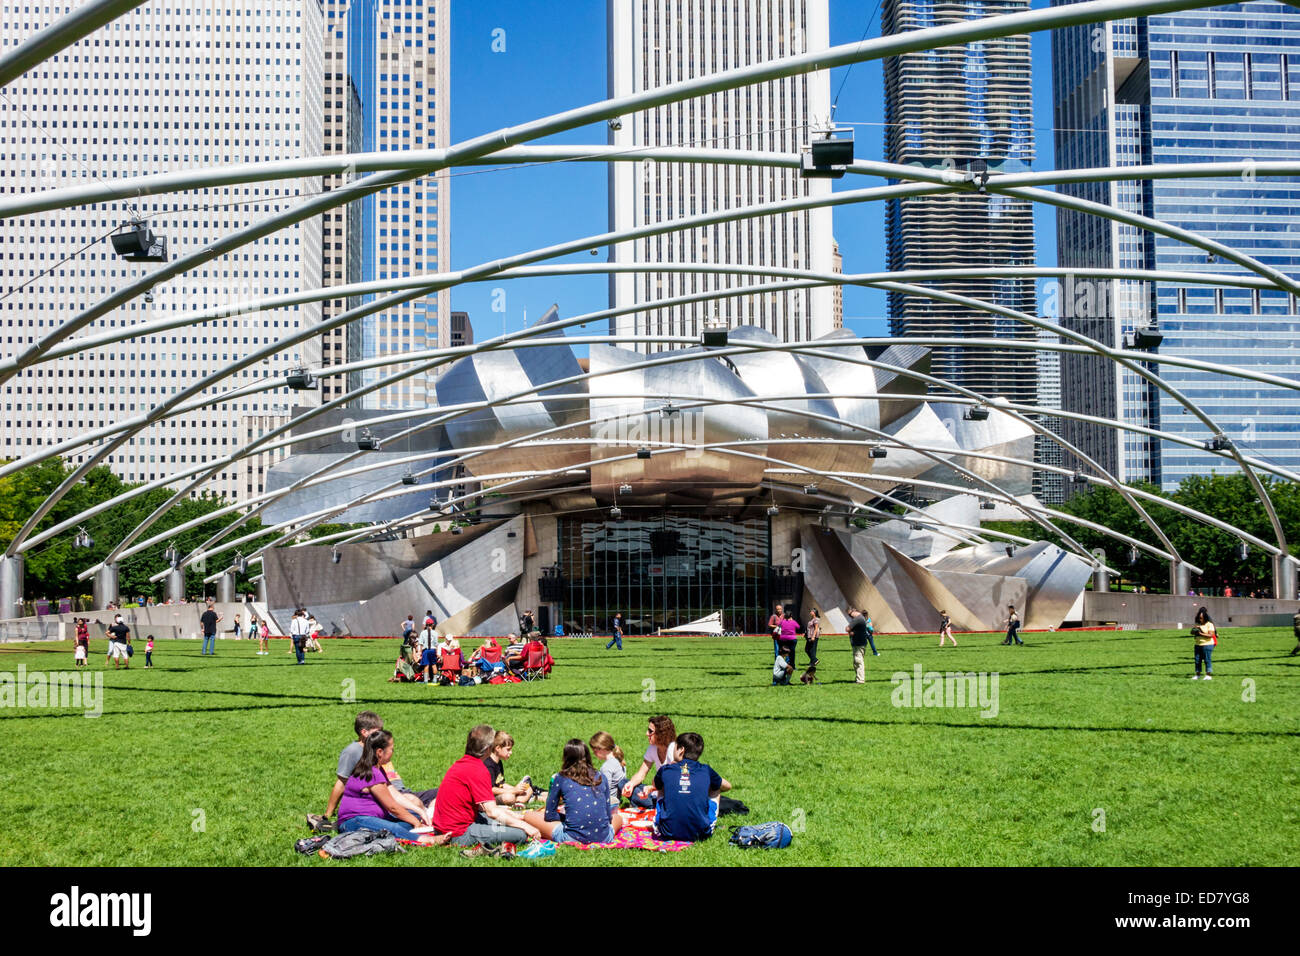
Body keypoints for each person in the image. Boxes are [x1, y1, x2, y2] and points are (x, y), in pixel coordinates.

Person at [317, 711, 436, 832]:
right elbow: (341, 783)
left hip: (394, 795)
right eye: (377, 732)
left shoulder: (377, 764)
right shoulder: (357, 756)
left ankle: (424, 816)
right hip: (367, 813)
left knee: (429, 799)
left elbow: (391, 790)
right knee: (411, 808)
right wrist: (327, 814)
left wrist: (419, 813)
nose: (381, 734)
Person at [430, 724, 541, 848]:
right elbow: (492, 811)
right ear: (489, 748)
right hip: (458, 834)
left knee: (507, 823)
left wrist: (512, 817)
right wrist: (526, 826)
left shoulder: (461, 763)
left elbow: (483, 807)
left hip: (446, 827)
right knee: (520, 834)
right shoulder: (478, 769)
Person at [335, 730, 439, 844]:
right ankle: (425, 839)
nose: (393, 752)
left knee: (410, 817)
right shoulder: (371, 773)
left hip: (375, 818)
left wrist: (420, 811)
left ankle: (403, 832)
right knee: (395, 827)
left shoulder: (378, 769)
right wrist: (416, 822)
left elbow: (396, 795)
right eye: (392, 749)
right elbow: (392, 807)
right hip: (355, 821)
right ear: (380, 752)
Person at [523, 740, 623, 844]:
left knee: (528, 815)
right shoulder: (601, 776)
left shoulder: (560, 778)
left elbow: (550, 815)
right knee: (618, 817)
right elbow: (608, 815)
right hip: (604, 837)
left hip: (572, 837)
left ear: (566, 757)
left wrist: (569, 818)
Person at [652, 732, 731, 843]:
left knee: (662, 788)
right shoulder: (706, 770)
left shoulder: (666, 769)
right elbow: (728, 786)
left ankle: (663, 820)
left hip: (666, 831)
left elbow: (655, 785)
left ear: (681, 750)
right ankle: (708, 821)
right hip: (700, 833)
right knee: (716, 788)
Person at [623, 715, 677, 808]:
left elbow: (675, 784)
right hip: (657, 791)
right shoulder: (653, 748)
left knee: (645, 793)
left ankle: (652, 806)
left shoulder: (673, 750)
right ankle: (649, 804)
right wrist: (630, 785)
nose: (646, 733)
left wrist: (652, 788)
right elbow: (641, 773)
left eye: (650, 731)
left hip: (671, 797)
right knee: (623, 783)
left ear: (661, 734)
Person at [482, 731, 537, 807]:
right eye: (508, 749)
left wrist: (517, 789)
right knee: (509, 797)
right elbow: (490, 789)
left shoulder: (498, 762)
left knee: (528, 789)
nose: (510, 752)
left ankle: (520, 800)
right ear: (498, 748)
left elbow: (501, 783)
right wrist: (513, 791)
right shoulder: (488, 764)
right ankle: (521, 800)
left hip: (500, 793)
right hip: (488, 797)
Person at [589, 731, 627, 811]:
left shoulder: (607, 767)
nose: (594, 753)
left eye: (595, 751)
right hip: (616, 801)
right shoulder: (618, 760)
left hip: (608, 804)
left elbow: (603, 790)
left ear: (602, 748)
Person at [1190, 606, 1216, 680]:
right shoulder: (1198, 624)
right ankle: (1198, 674)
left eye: (1201, 618)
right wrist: (1195, 630)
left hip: (1207, 645)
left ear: (1205, 617)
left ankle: (1208, 675)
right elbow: (1191, 632)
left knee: (1207, 659)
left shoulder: (1209, 624)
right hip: (1198, 644)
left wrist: (1201, 633)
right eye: (1199, 618)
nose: (1200, 619)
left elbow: (1211, 635)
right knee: (1197, 660)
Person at [847, 607, 870, 684]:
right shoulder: (861, 618)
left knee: (858, 661)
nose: (850, 616)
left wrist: (850, 631)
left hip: (859, 643)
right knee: (856, 662)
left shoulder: (857, 619)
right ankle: (858, 678)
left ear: (853, 611)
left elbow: (847, 628)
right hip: (859, 642)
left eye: (850, 614)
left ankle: (860, 680)